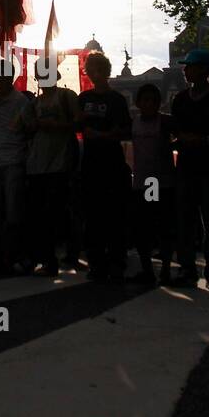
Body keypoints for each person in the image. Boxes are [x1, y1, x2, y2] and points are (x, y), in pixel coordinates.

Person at [170, 48, 209, 288]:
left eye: (190, 66)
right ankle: (187, 267)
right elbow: (175, 127)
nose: (185, 70)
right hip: (185, 165)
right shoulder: (181, 99)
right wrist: (182, 137)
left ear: (204, 69)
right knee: (185, 218)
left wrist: (207, 139)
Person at [77, 52, 132, 282]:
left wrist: (103, 134)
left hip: (112, 163)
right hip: (90, 163)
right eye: (90, 69)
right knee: (93, 215)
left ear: (105, 71)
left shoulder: (117, 100)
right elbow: (77, 124)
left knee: (114, 215)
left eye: (97, 68)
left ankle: (117, 261)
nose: (93, 73)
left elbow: (125, 130)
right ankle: (96, 262)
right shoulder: (83, 98)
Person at [22, 59, 79, 276]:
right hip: (36, 165)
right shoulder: (33, 104)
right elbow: (24, 128)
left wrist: (56, 126)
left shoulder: (66, 97)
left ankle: (60, 256)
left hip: (60, 164)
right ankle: (44, 257)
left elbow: (78, 123)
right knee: (38, 214)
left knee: (55, 212)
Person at [0, 56, 32, 271]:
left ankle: (13, 255)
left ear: (8, 78)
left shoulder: (22, 103)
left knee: (13, 211)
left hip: (14, 162)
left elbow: (30, 132)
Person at [131, 83, 176, 285]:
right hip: (142, 181)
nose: (149, 104)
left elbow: (182, 136)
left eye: (153, 101)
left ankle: (165, 269)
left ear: (159, 103)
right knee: (143, 228)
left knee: (162, 226)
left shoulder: (166, 122)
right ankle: (147, 269)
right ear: (138, 103)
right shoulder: (133, 123)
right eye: (145, 100)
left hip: (160, 181)